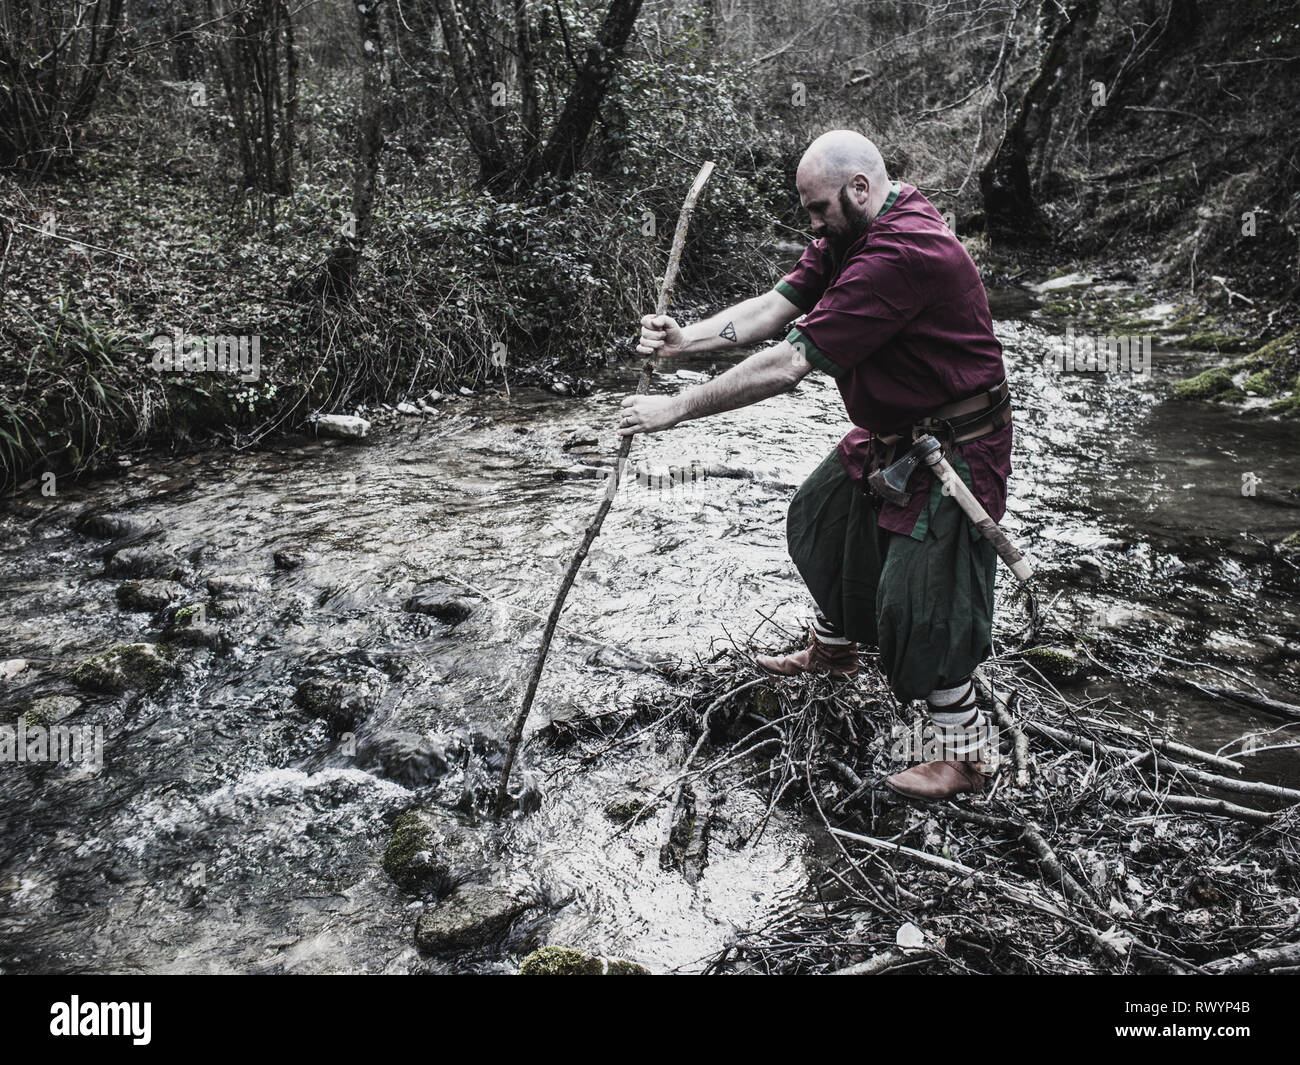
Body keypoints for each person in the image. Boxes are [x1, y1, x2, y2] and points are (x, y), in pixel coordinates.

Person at [617, 130, 1013, 801]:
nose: (812, 222)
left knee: (926, 599)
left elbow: (791, 362)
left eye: (818, 207)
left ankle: (968, 755)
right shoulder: (851, 231)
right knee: (824, 519)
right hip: (894, 436)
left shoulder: (902, 252)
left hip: (956, 448)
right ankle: (834, 653)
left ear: (859, 189)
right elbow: (774, 310)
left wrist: (677, 407)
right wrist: (689, 340)